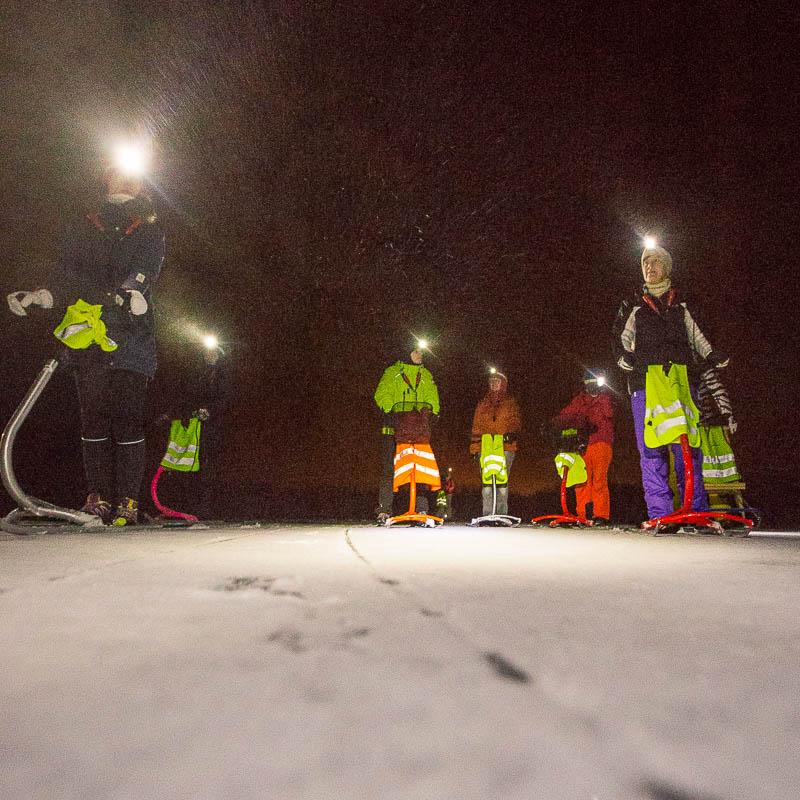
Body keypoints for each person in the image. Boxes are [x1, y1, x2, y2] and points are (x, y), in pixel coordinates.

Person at [9, 152, 164, 526]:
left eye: (134, 177)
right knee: (93, 419)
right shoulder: (83, 226)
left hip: (130, 338)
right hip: (88, 336)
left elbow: (145, 269)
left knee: (127, 418)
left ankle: (127, 498)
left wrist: (134, 293)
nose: (127, 181)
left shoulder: (148, 229)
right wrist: (41, 296)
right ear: (106, 177)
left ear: (142, 185)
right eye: (119, 174)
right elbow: (66, 275)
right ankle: (97, 497)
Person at [612, 243, 729, 521]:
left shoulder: (682, 303)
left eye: (655, 262)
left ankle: (695, 510)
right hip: (645, 383)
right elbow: (620, 339)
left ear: (667, 267)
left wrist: (712, 354)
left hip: (681, 380)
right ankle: (660, 513)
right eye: (645, 263)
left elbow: (698, 336)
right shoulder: (633, 304)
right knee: (651, 449)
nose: (649, 268)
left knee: (687, 446)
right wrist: (625, 358)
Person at [156, 342, 231, 519]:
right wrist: (170, 415)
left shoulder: (223, 375)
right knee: (179, 468)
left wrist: (209, 411)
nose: (210, 356)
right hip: (187, 428)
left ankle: (204, 511)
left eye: (214, 353)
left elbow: (226, 399)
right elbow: (183, 396)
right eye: (207, 353)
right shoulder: (193, 372)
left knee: (206, 469)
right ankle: (178, 509)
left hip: (210, 430)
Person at [373, 344, 440, 522]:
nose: (420, 355)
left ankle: (421, 509)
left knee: (419, 468)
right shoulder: (392, 372)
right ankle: (384, 509)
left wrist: (431, 412)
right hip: (394, 428)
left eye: (422, 353)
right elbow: (381, 393)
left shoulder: (425, 375)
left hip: (418, 430)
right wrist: (392, 410)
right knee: (390, 469)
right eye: (416, 352)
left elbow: (433, 397)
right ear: (407, 352)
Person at [552, 370, 613, 523]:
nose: (592, 386)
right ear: (585, 384)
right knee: (582, 479)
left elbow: (609, 413)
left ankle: (601, 514)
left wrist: (602, 394)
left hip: (601, 442)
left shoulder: (605, 398)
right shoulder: (580, 400)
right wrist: (554, 424)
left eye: (595, 382)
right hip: (582, 444)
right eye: (589, 382)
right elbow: (567, 415)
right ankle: (582, 514)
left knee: (599, 479)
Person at [469, 370, 521, 517]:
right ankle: (487, 514)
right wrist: (474, 448)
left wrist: (511, 435)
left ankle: (501, 513)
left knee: (501, 482)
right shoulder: (482, 404)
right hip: (485, 447)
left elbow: (515, 422)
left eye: (497, 381)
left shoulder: (510, 403)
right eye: (491, 381)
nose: (494, 384)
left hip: (505, 447)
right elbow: (476, 427)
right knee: (487, 484)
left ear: (503, 384)